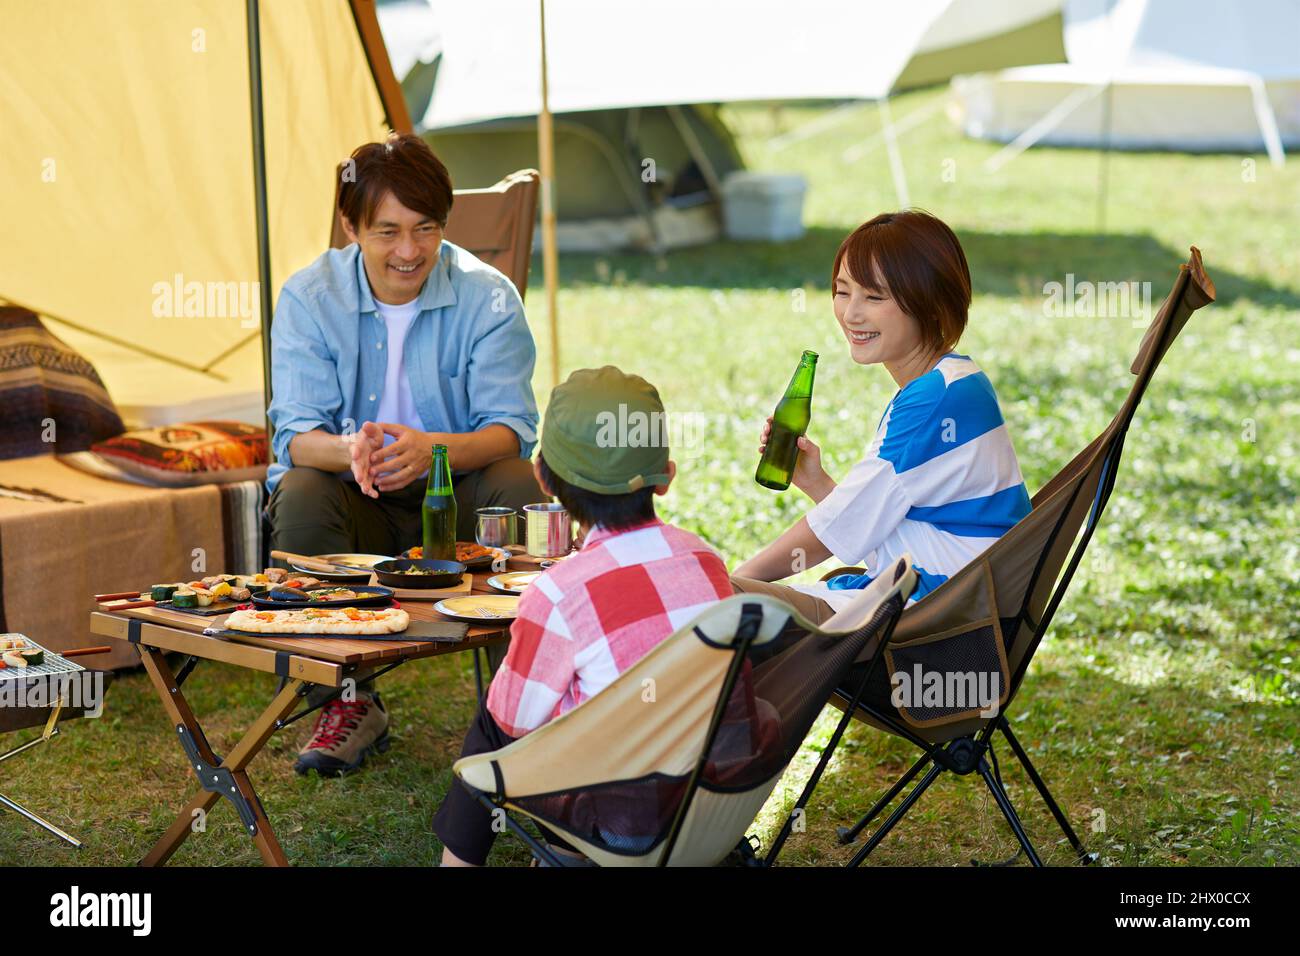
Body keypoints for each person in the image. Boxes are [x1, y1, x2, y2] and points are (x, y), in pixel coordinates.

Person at [265, 133, 543, 776]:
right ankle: (346, 700)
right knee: (303, 488)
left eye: (426, 229)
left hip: (459, 508)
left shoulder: (489, 295)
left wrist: (433, 449)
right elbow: (292, 435)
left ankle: (528, 700)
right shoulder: (309, 297)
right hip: (353, 500)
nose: (409, 251)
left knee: (516, 481)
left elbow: (511, 430)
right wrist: (349, 450)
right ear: (350, 225)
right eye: (387, 231)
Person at [433, 366, 732, 866]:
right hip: (710, 807)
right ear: (666, 478)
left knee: (494, 718)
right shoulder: (706, 561)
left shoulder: (557, 593)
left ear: (543, 477)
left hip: (616, 826)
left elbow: (515, 721)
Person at [733, 210, 1031, 624]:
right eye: (842, 291)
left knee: (733, 614)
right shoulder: (955, 380)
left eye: (874, 297)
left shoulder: (932, 399)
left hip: (931, 617)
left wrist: (732, 585)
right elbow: (875, 524)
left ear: (929, 303)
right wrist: (817, 483)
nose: (851, 314)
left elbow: (832, 532)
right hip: (948, 599)